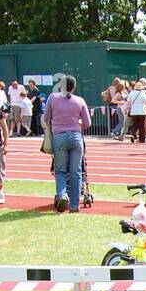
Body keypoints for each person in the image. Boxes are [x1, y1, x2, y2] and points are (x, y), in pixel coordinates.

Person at [43, 75, 91, 212]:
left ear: (61, 86)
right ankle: (75, 206)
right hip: (76, 137)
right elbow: (87, 123)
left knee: (60, 170)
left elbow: (46, 118)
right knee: (76, 171)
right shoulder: (80, 100)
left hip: (59, 137)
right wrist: (77, 124)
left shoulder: (53, 98)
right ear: (74, 87)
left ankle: (62, 194)